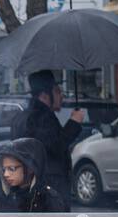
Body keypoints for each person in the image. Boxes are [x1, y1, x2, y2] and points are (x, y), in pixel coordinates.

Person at [10, 70, 85, 204]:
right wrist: (74, 123)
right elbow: (55, 146)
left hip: (32, 190)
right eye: (57, 91)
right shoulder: (41, 117)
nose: (61, 96)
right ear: (45, 95)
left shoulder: (23, 116)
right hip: (48, 192)